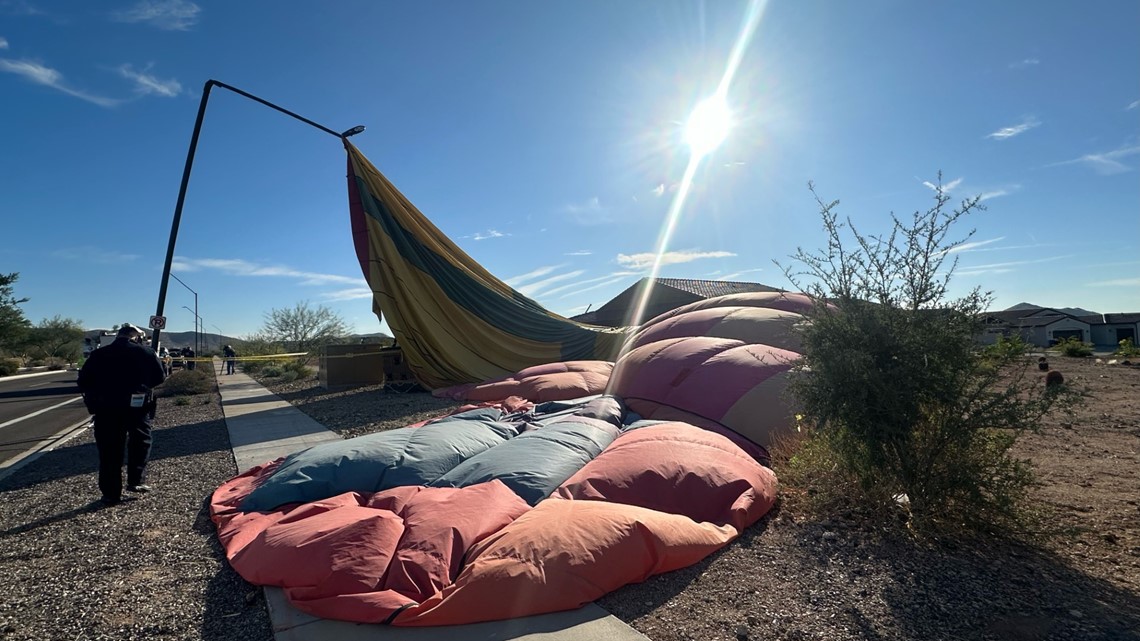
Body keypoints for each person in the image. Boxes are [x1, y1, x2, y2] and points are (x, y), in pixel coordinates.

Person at [77, 323, 167, 506]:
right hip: (137, 407)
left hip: (106, 409)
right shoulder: (146, 352)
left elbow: (83, 381)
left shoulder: (98, 354)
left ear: (118, 335)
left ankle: (110, 493)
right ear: (136, 336)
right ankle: (136, 481)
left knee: (109, 450)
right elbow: (160, 377)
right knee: (141, 442)